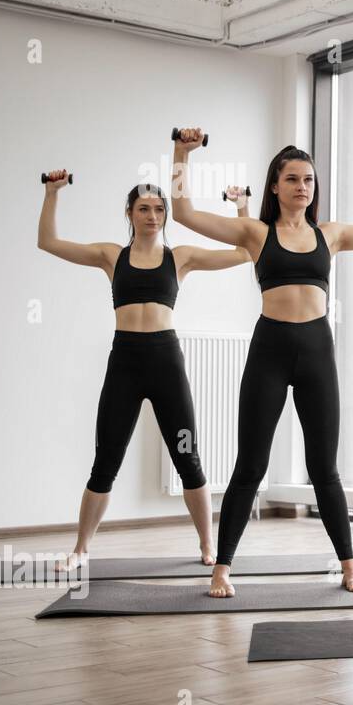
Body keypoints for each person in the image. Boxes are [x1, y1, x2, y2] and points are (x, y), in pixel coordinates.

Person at [169, 130, 353, 597]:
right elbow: (184, 212)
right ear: (274, 187)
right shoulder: (255, 234)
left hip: (318, 350)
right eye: (293, 178)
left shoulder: (330, 235)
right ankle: (222, 567)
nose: (302, 186)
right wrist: (182, 154)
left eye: (309, 179)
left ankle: (348, 565)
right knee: (250, 465)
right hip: (271, 350)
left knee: (325, 469)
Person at [37, 173, 253, 570]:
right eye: (144, 209)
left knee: (188, 456)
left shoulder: (181, 257)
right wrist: (52, 195)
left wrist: (240, 206)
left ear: (165, 215)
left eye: (158, 209)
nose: (152, 215)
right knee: (105, 461)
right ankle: (81, 549)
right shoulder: (110, 256)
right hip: (125, 363)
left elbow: (244, 252)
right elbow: (48, 242)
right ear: (130, 214)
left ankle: (208, 546)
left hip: (166, 363)